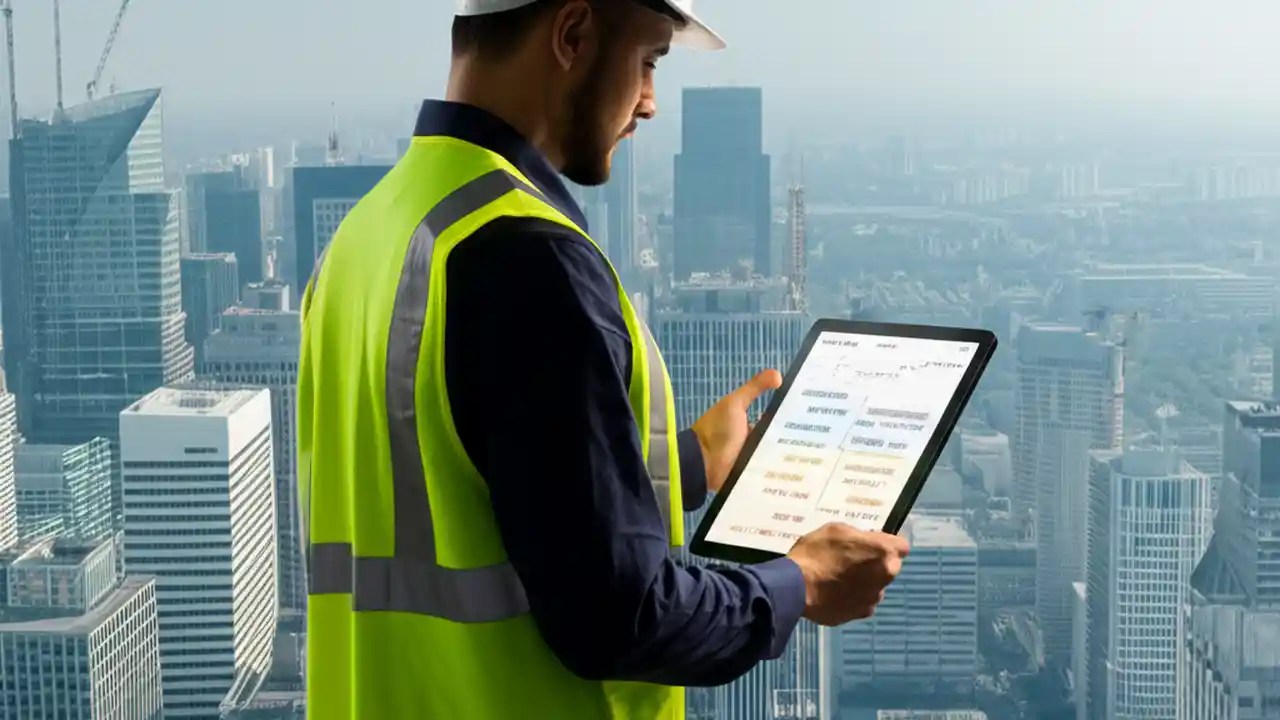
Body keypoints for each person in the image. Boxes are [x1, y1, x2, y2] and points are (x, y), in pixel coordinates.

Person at [296, 0, 911, 718]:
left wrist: (687, 463)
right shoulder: (528, 258)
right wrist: (797, 584)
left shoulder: (370, 235)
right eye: (649, 61)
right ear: (573, 34)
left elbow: (472, 483)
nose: (649, 103)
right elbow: (621, 617)